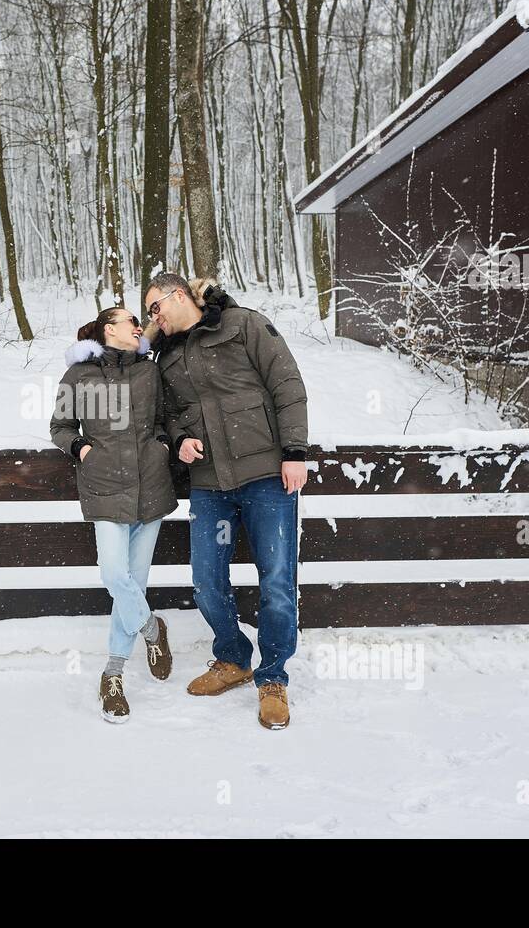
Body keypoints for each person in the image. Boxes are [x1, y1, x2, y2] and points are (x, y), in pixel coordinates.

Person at [144, 273, 309, 730]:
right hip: (209, 483)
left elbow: (287, 385)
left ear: (178, 295)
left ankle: (272, 677)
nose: (153, 319)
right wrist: (179, 440)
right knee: (205, 581)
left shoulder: (242, 325)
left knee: (276, 579)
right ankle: (233, 657)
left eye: (155, 307)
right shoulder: (166, 357)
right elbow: (168, 417)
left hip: (266, 476)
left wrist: (294, 453)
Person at [50, 307, 178, 723]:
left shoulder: (149, 372)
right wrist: (82, 450)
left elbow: (163, 420)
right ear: (109, 330)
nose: (139, 326)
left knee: (134, 583)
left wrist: (160, 445)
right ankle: (152, 630)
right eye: (130, 321)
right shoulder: (79, 376)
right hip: (105, 489)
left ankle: (113, 676)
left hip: (151, 489)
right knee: (113, 576)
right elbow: (60, 427)